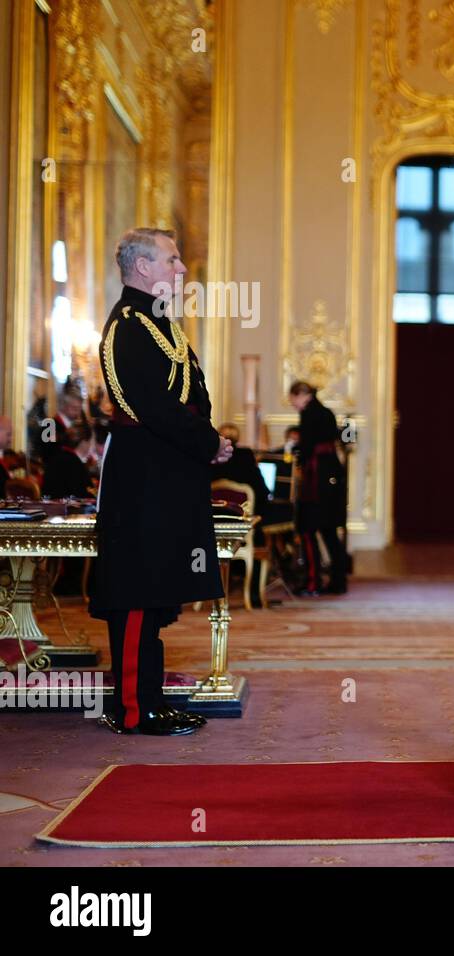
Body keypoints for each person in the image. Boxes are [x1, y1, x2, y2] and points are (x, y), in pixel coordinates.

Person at [92, 227, 233, 735]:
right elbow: (151, 406)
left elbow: (192, 393)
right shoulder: (127, 327)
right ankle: (133, 708)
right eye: (173, 260)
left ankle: (150, 699)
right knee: (135, 592)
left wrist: (209, 441)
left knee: (154, 593)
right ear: (144, 267)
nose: (181, 269)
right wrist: (205, 441)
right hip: (142, 478)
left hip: (168, 474)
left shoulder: (161, 325)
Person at [288, 382, 347, 595]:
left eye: (293, 400)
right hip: (330, 478)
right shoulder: (325, 413)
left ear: (301, 395)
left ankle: (313, 582)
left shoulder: (310, 414)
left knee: (307, 528)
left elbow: (307, 447)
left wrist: (293, 451)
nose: (293, 405)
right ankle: (338, 581)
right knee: (330, 532)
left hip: (317, 482)